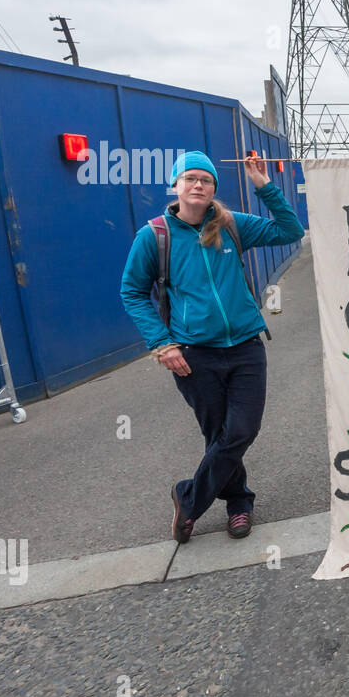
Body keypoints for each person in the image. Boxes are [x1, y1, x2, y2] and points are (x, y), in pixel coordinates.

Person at [121, 151, 305, 543]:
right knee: (218, 434)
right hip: (193, 354)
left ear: (213, 189)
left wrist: (264, 186)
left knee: (241, 430)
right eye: (190, 178)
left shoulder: (230, 224)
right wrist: (162, 344)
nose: (198, 185)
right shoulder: (155, 235)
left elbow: (290, 231)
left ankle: (189, 497)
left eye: (205, 180)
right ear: (176, 185)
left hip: (245, 347)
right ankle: (239, 504)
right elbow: (133, 293)